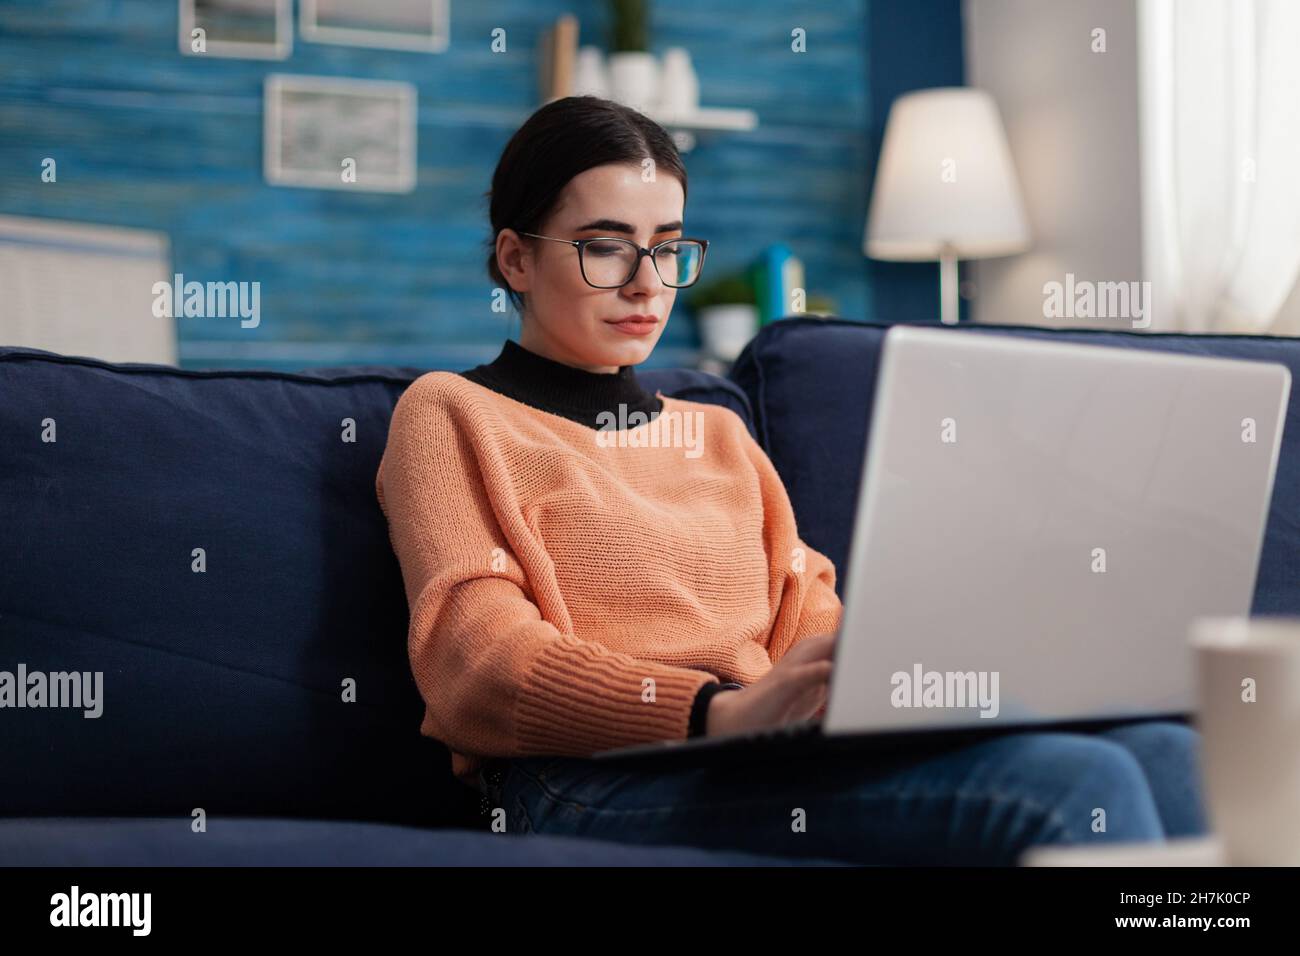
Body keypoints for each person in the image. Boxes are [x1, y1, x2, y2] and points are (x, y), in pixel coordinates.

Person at [374, 95, 1207, 865]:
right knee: (1076, 786)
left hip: (755, 752)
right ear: (516, 260)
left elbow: (811, 620)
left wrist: (870, 676)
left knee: (1168, 752)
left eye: (667, 248)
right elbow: (476, 663)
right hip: (586, 777)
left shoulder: (719, 436)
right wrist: (709, 711)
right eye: (604, 247)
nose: (645, 283)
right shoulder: (453, 414)